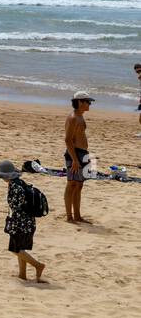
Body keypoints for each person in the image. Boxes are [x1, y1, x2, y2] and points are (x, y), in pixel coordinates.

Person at [0, 160, 47, 282]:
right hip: (28, 222)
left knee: (15, 249)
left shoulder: (14, 186)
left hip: (20, 222)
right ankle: (22, 275)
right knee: (21, 248)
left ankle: (38, 265)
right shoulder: (20, 182)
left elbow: (16, 206)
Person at [64, 91, 92, 224]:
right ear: (80, 102)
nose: (90, 104)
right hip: (74, 153)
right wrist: (74, 160)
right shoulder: (73, 117)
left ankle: (77, 216)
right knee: (72, 184)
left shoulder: (80, 116)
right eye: (88, 101)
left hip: (83, 153)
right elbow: (68, 140)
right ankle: (69, 217)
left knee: (80, 185)